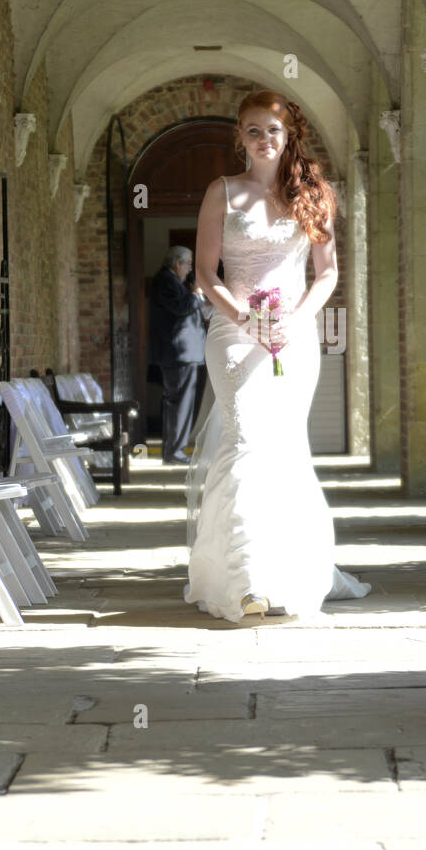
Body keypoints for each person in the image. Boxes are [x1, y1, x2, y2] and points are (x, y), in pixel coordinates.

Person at [184, 90, 372, 622]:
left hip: (294, 333)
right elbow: (205, 274)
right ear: (238, 136)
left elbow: (328, 273)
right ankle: (246, 582)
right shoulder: (222, 193)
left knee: (284, 445)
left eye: (273, 130)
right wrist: (245, 318)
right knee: (243, 439)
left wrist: (293, 319)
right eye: (253, 130)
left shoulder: (313, 194)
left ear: (289, 135)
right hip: (232, 330)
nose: (263, 139)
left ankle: (289, 571)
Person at [148, 246, 207, 464]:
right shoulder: (165, 280)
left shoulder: (173, 282)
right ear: (177, 263)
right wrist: (195, 294)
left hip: (183, 353)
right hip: (178, 354)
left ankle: (174, 450)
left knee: (180, 402)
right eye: (189, 264)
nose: (190, 268)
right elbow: (181, 308)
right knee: (180, 403)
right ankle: (175, 451)